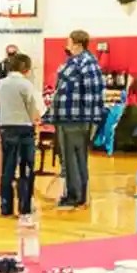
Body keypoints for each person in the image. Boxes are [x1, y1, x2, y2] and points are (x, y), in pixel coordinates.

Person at [46, 30, 106, 210]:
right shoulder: (89, 62)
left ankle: (74, 196)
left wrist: (89, 118)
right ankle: (78, 194)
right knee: (78, 159)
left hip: (73, 119)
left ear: (77, 44)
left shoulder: (80, 63)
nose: (67, 46)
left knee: (71, 159)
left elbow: (89, 94)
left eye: (69, 43)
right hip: (76, 119)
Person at [0, 52, 41, 217]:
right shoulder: (26, 85)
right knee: (26, 168)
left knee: (7, 168)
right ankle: (25, 206)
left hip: (6, 128)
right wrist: (36, 121)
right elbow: (31, 108)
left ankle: (5, 207)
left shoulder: (0, 84)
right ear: (26, 69)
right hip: (24, 128)